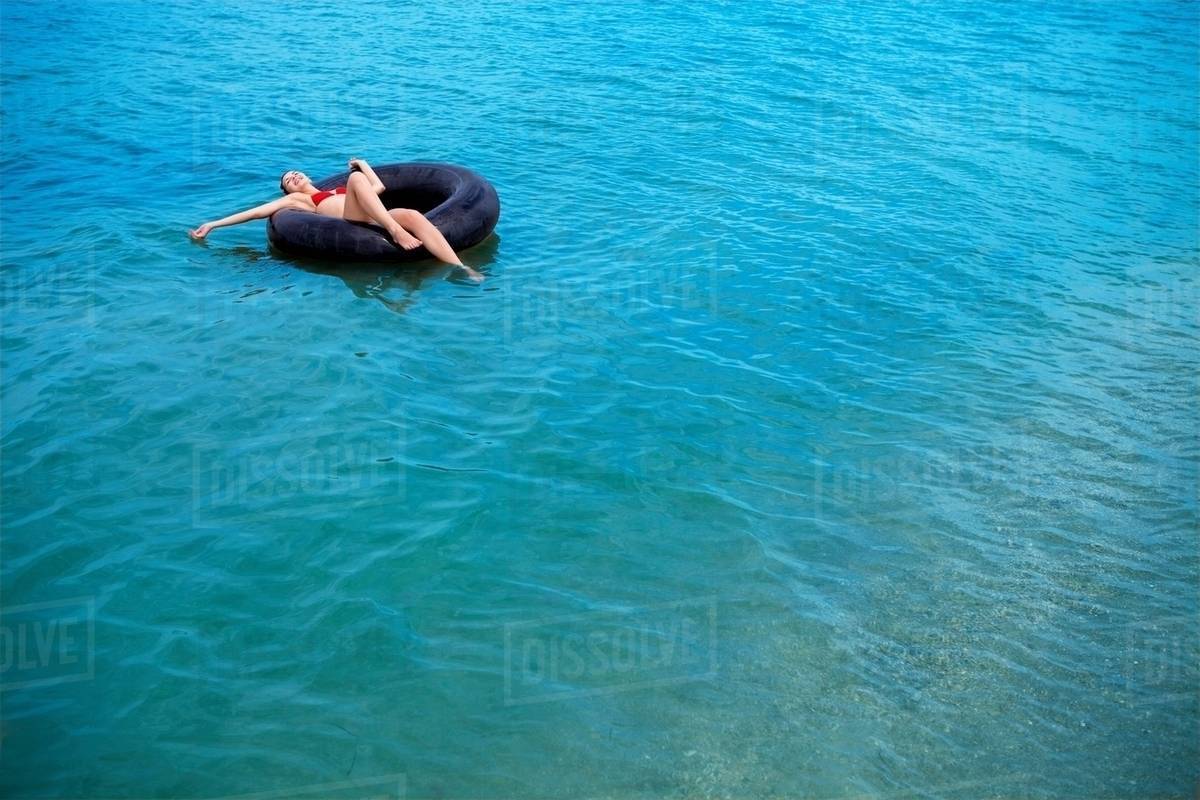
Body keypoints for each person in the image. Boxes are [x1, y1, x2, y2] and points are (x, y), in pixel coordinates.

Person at [188, 158, 484, 282]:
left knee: (413, 215)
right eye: (289, 180)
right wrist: (214, 224)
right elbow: (255, 212)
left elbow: (378, 188)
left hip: (373, 215)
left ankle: (462, 268)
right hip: (353, 220)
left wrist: (364, 164)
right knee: (358, 182)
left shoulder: (333, 187)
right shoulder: (299, 201)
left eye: (296, 173)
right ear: (288, 190)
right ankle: (395, 231)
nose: (295, 177)